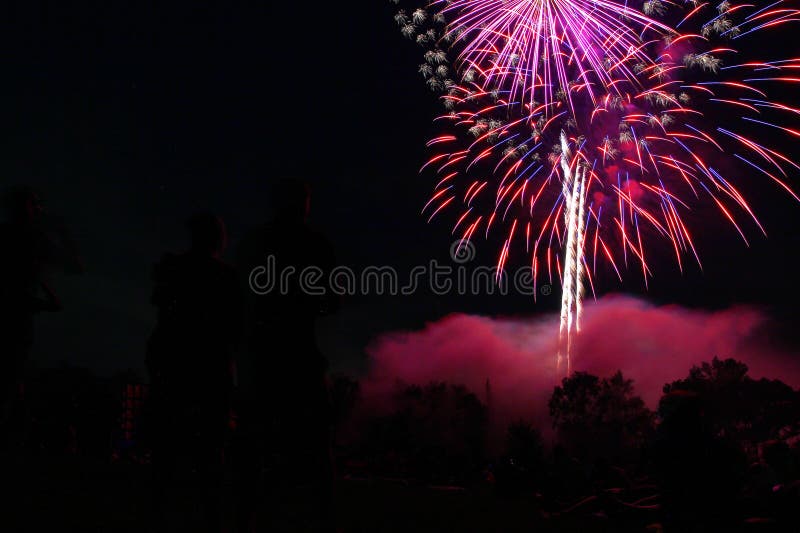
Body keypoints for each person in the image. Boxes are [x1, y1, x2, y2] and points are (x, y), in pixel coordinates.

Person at [234, 178, 338, 532]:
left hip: (260, 355)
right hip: (299, 353)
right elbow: (331, 301)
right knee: (317, 444)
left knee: (251, 443)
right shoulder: (315, 244)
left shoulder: (253, 242)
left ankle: (243, 517)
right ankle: (321, 518)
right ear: (303, 205)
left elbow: (237, 298)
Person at [145, 212, 241, 533]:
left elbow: (162, 311)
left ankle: (161, 513)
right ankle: (210, 516)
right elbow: (236, 327)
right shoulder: (226, 276)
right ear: (218, 239)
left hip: (173, 365)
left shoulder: (173, 270)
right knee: (212, 447)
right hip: (210, 368)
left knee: (168, 446)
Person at [0, 185, 83, 449]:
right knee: (10, 379)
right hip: (17, 316)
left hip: (15, 313)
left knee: (10, 378)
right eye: (34, 205)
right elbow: (75, 265)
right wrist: (61, 230)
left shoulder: (13, 236)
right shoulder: (35, 239)